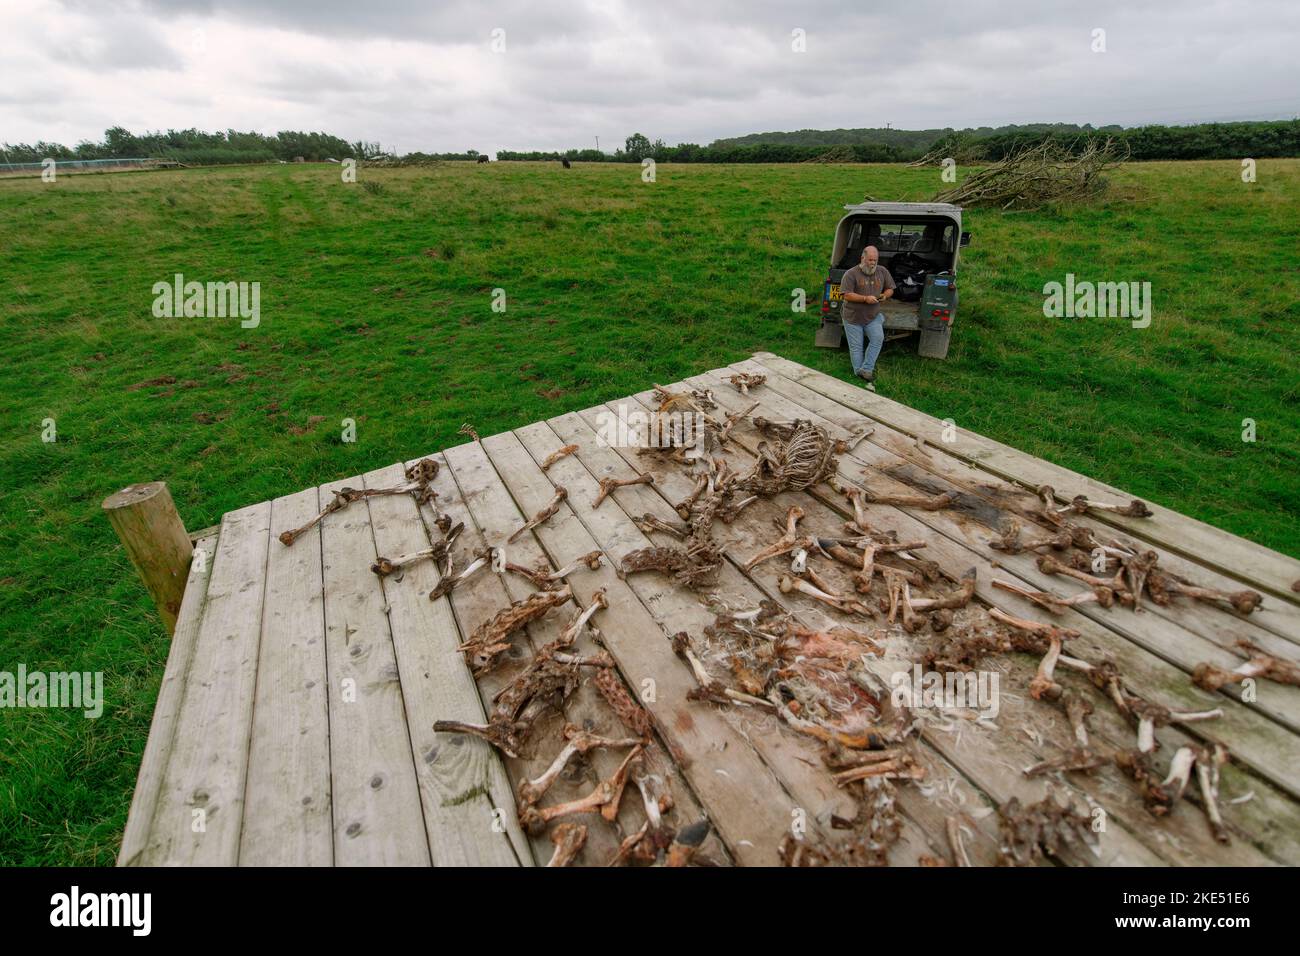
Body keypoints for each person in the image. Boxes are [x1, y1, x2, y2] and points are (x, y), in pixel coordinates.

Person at [838, 245, 895, 385]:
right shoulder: (850, 274)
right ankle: (859, 373)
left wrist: (884, 296)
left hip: (872, 316)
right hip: (853, 317)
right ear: (862, 258)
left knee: (877, 338)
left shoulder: (882, 271)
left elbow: (890, 288)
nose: (873, 263)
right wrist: (865, 299)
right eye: (870, 260)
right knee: (857, 346)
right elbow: (846, 295)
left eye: (875, 260)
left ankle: (866, 369)